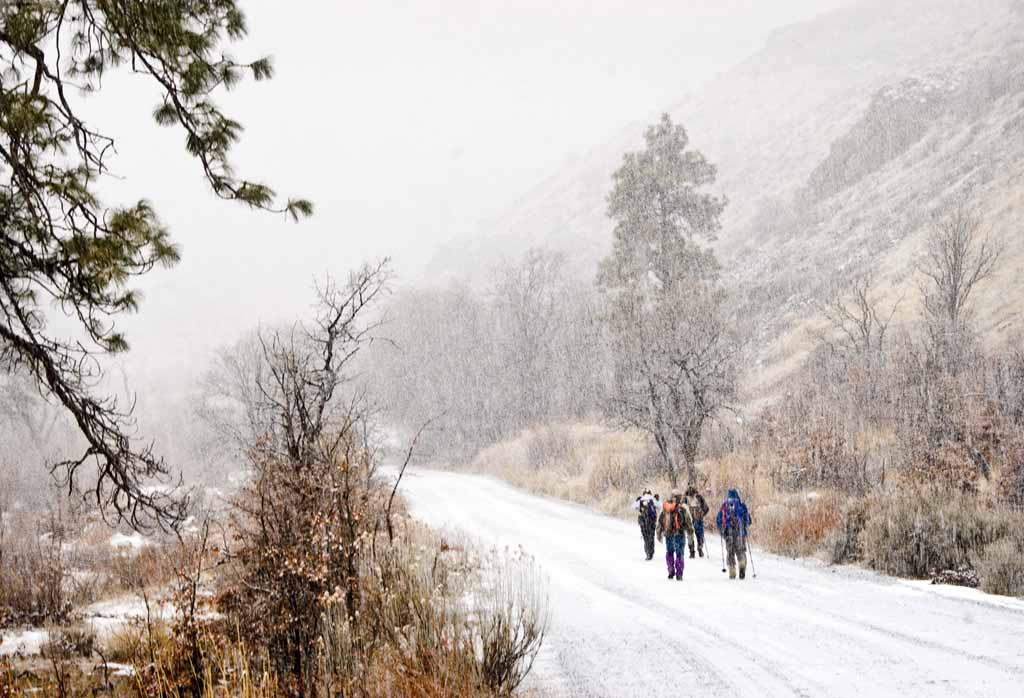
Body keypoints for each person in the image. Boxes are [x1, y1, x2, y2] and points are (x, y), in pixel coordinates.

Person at [716, 488, 753, 580]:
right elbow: (748, 520)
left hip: (728, 532)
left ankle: (732, 570)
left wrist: (721, 530)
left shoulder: (724, 506)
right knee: (740, 550)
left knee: (730, 551)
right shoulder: (741, 506)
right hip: (740, 532)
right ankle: (742, 564)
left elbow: (719, 519)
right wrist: (745, 528)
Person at [657, 490, 694, 581]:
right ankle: (679, 573)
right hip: (679, 534)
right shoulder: (683, 508)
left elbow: (660, 521)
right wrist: (690, 537)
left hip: (668, 534)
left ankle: (670, 569)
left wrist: (659, 534)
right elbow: (689, 523)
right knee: (679, 553)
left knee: (669, 552)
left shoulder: (666, 507)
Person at [683, 486, 710, 558]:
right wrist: (702, 514)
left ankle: (692, 552)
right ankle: (699, 550)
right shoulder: (699, 497)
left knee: (690, 536)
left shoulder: (685, 498)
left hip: (690, 521)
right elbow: (706, 508)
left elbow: (681, 509)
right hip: (697, 520)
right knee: (699, 536)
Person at [632, 489, 659, 560]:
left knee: (646, 538)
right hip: (652, 523)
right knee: (651, 537)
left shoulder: (641, 500)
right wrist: (657, 498)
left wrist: (636, 500)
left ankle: (648, 553)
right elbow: (659, 505)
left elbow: (634, 507)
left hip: (643, 523)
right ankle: (651, 552)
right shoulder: (652, 499)